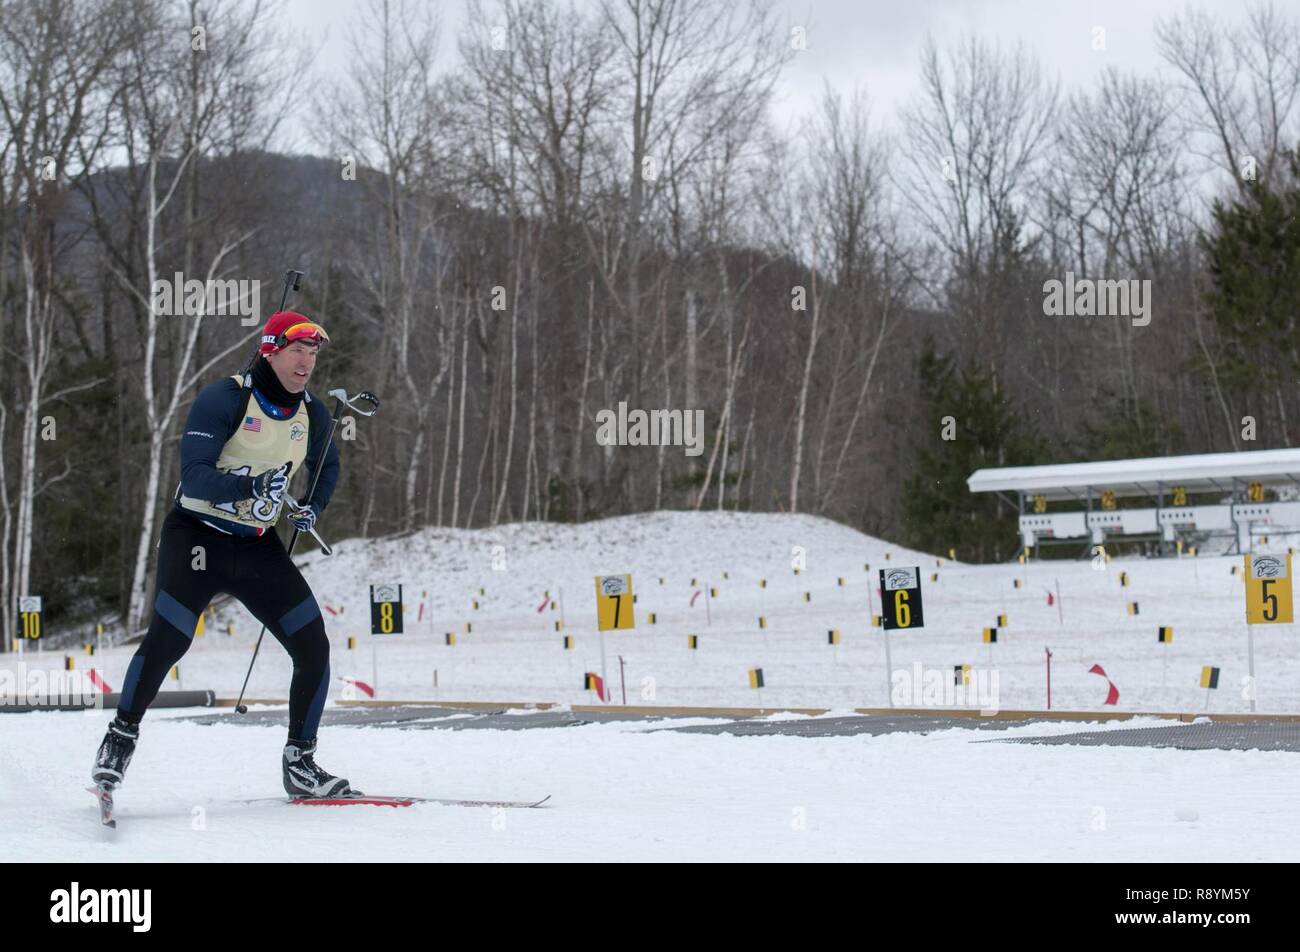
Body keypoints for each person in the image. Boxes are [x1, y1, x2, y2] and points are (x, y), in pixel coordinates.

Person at [92, 310, 356, 798]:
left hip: (257, 547)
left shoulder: (313, 413)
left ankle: (300, 762)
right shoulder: (226, 397)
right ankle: (119, 739)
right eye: (297, 350)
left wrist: (311, 510)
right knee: (168, 643)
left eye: (314, 351)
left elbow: (327, 467)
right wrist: (250, 485)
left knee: (313, 647)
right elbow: (194, 474)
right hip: (197, 537)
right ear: (271, 350)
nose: (307, 361)